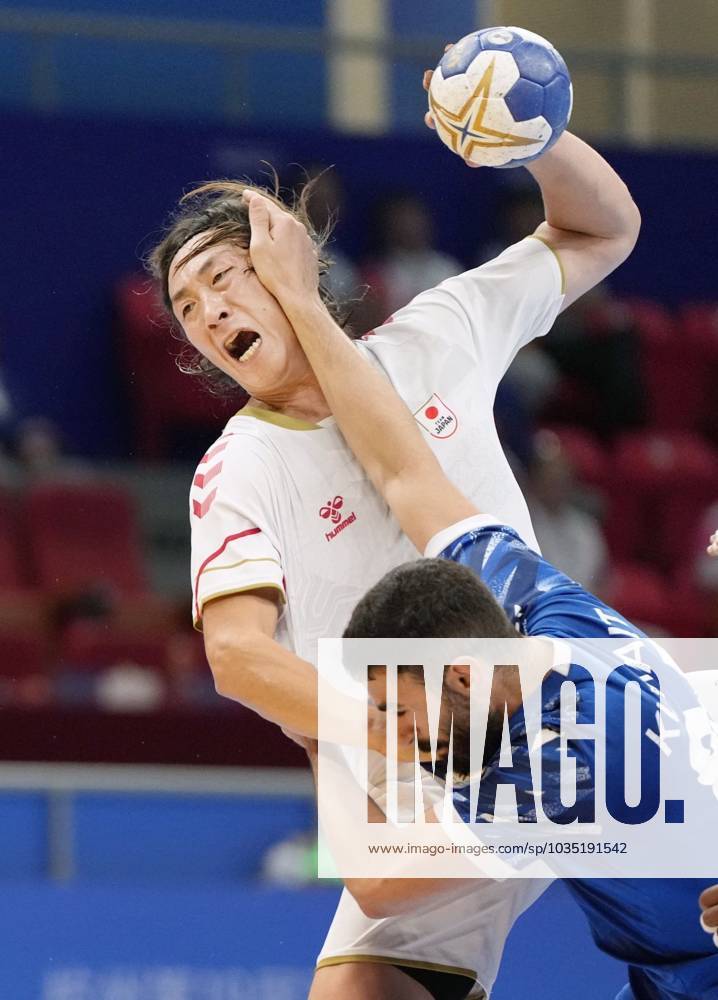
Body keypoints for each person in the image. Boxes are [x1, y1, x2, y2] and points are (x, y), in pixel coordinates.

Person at [148, 84, 640, 998]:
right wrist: (381, 734)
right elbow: (236, 658)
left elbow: (601, 229)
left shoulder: (434, 338)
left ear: (290, 262)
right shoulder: (237, 468)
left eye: (226, 277)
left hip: (552, 723)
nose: (211, 313)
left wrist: (538, 137)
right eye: (188, 309)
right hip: (415, 787)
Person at [236, 189, 718, 999]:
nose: (395, 738)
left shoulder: (563, 765)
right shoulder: (530, 599)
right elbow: (402, 466)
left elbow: (379, 882)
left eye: (397, 715)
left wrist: (316, 732)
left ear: (461, 674)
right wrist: (299, 302)